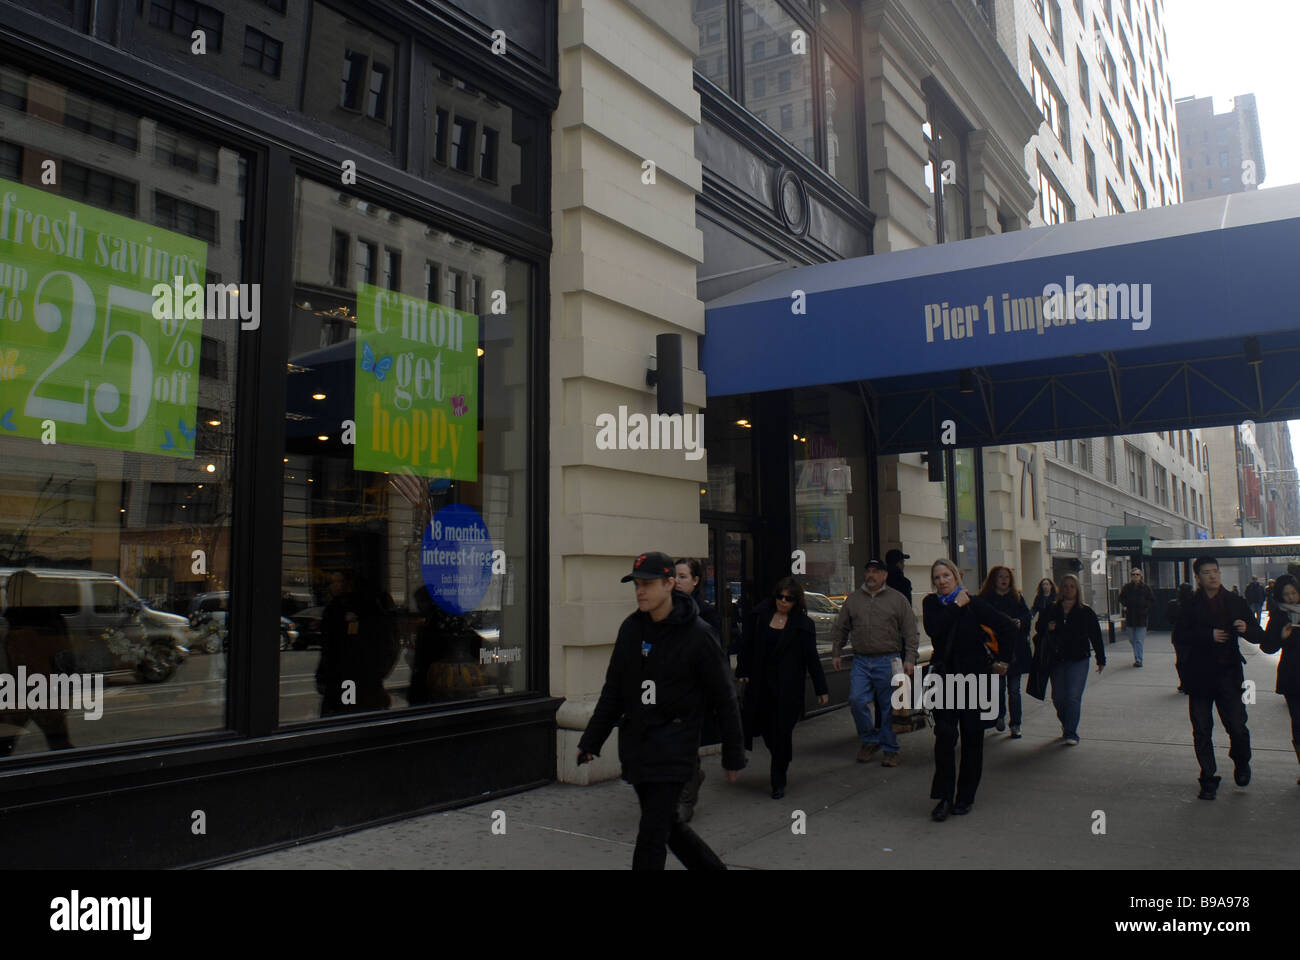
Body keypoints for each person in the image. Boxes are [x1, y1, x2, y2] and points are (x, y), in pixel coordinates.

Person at [577, 551, 744, 870]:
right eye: (637, 584)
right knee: (669, 828)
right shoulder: (631, 630)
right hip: (638, 745)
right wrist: (591, 741)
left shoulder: (698, 634)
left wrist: (733, 752)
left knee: (652, 834)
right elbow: (614, 691)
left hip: (675, 747)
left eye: (648, 584)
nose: (640, 591)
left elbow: (725, 696)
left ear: (670, 584)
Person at [922, 559, 1016, 821]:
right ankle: (943, 797)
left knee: (972, 740)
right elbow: (934, 628)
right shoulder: (932, 604)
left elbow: (1007, 627)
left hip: (974, 680)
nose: (941, 581)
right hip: (945, 680)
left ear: (955, 577)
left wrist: (1004, 661)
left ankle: (965, 797)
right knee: (944, 737)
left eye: (946, 576)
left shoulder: (974, 604)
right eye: (937, 577)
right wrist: (955, 605)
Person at [1176, 556, 1263, 800]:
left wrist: (1247, 629)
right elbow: (1179, 636)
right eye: (1207, 572)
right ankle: (1208, 776)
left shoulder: (1235, 601)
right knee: (1202, 729)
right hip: (1200, 675)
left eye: (1216, 571)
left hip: (1229, 675)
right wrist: (1208, 635)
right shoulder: (1190, 604)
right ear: (1198, 577)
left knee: (1237, 726)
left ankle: (1241, 762)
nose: (1213, 576)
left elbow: (1258, 634)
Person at [737, 578, 829, 798]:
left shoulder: (803, 625)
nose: (783, 602)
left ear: (796, 601)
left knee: (782, 732)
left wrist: (821, 689)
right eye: (780, 596)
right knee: (769, 733)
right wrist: (743, 671)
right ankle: (782, 758)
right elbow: (746, 645)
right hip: (762, 685)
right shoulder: (760, 616)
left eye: (788, 599)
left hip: (788, 689)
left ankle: (778, 779)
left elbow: (811, 658)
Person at [830, 559, 919, 767]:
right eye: (868, 571)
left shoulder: (897, 600)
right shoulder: (853, 600)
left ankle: (890, 749)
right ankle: (870, 740)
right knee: (856, 700)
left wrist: (910, 658)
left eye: (876, 572)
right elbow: (841, 627)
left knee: (889, 708)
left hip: (889, 659)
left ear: (885, 575)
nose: (871, 575)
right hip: (861, 660)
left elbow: (910, 630)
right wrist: (836, 652)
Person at [673, 557, 726, 823]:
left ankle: (685, 798)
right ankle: (689, 777)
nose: (677, 581)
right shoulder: (661, 610)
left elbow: (713, 657)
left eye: (683, 576)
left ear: (695, 581)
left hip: (693, 693)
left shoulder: (706, 615)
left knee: (685, 745)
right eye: (675, 576)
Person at [1034, 574, 1105, 744]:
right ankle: (1067, 724)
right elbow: (1038, 627)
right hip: (1057, 658)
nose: (1068, 589)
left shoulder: (1085, 611)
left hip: (1079, 658)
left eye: (1072, 586)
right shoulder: (1052, 609)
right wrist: (1047, 627)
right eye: (1065, 586)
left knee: (1073, 696)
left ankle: (1071, 732)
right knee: (1058, 697)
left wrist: (1100, 658)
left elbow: (1095, 635)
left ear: (1077, 589)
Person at [316, 571, 398, 716]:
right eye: (332, 582)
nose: (333, 586)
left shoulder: (355, 609)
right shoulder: (337, 608)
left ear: (348, 584)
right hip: (349, 677)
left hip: (352, 677)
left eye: (338, 582)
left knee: (349, 712)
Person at [977, 566, 1032, 738]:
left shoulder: (1016, 597)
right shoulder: (985, 598)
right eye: (1000, 576)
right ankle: (999, 715)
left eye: (1007, 577)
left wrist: (1019, 623)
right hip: (995, 650)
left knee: (1014, 690)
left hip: (1014, 651)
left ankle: (1015, 723)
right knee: (998, 687)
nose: (1004, 580)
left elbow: (1026, 616)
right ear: (994, 579)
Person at [1261, 574, 1300, 785]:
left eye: (1294, 592)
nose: (1292, 597)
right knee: (1298, 722)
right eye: (1286, 595)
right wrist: (1281, 638)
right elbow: (1267, 647)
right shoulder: (1278, 616)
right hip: (1293, 676)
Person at [1118, 567, 1155, 668]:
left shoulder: (1145, 588)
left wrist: (1145, 608)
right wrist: (1126, 604)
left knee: (1139, 639)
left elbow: (1151, 599)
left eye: (1137, 574)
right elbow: (1121, 598)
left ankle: (1139, 659)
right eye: (1133, 574)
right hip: (1130, 616)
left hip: (1141, 617)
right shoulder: (1127, 587)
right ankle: (1137, 655)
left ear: (1141, 576)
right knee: (1132, 639)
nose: (1135, 576)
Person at [1167, 582, 1194, 694]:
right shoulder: (1194, 604)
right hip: (1190, 636)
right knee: (1188, 660)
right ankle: (1188, 683)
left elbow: (1170, 619)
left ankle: (1184, 682)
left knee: (1181, 661)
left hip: (1179, 636)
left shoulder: (1175, 604)